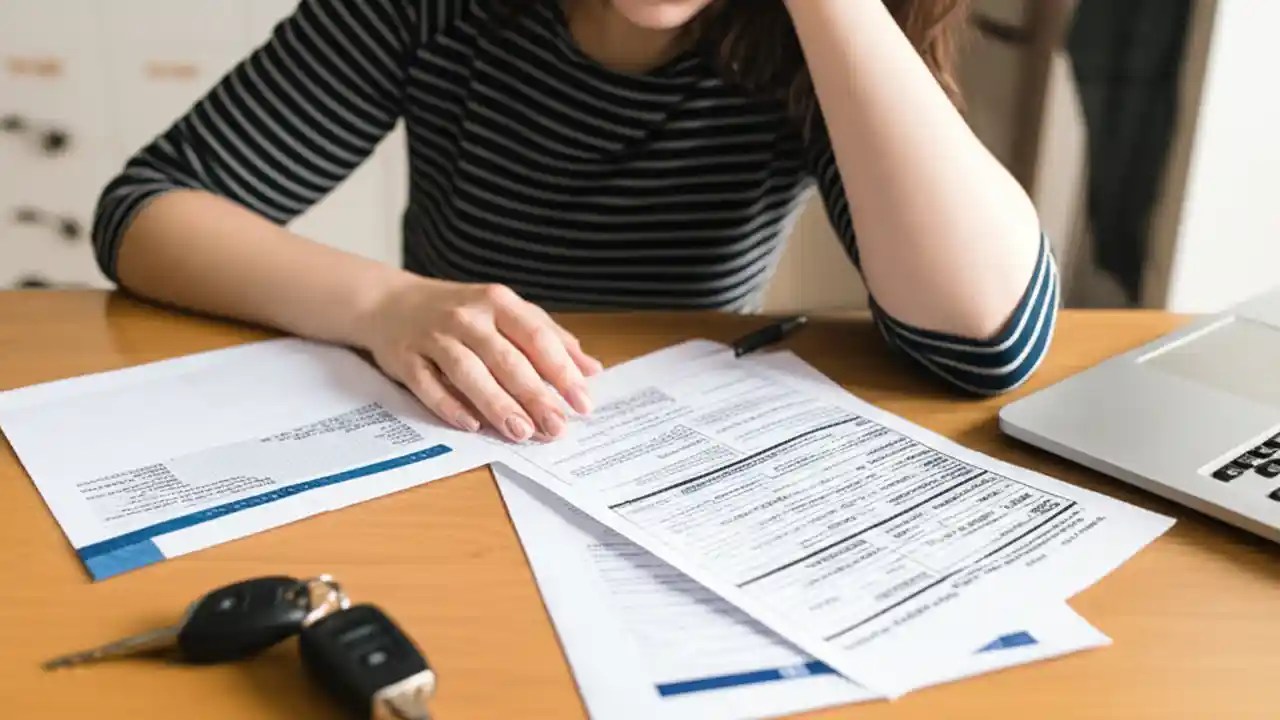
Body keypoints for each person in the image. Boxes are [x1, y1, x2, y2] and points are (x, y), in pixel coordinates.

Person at [92, 0, 1058, 444]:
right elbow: (149, 210)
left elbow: (988, 342)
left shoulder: (806, 40)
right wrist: (385, 304)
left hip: (679, 454)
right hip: (447, 429)